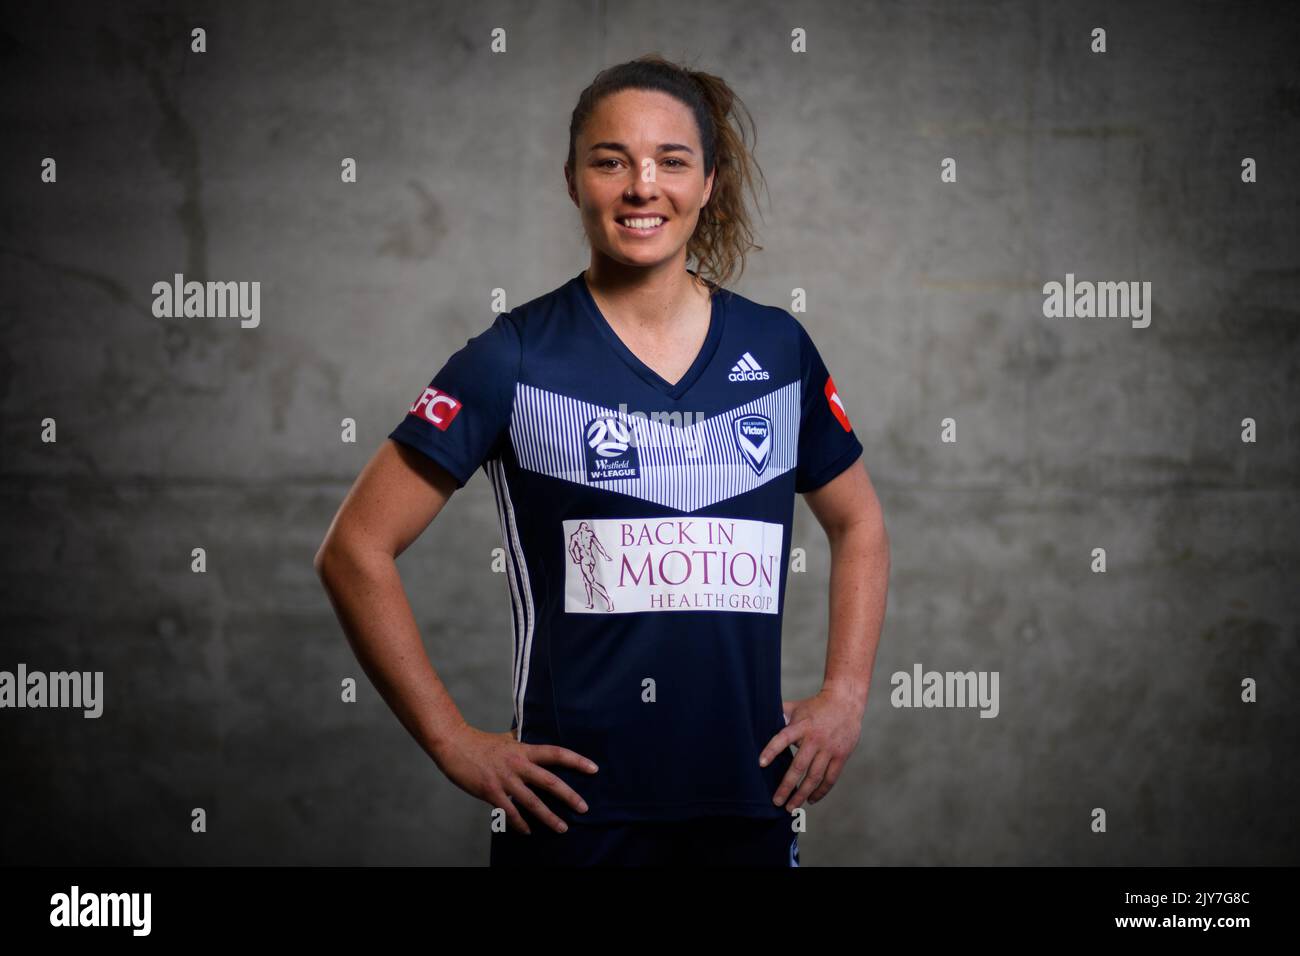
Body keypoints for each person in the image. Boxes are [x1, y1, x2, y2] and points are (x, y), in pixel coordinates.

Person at [314, 54, 890, 867]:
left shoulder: (778, 348)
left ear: (710, 183)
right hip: (572, 823)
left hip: (748, 806)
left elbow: (859, 520)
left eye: (671, 161)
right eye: (611, 160)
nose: (641, 186)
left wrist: (847, 696)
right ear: (573, 180)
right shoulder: (511, 359)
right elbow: (352, 550)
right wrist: (455, 743)